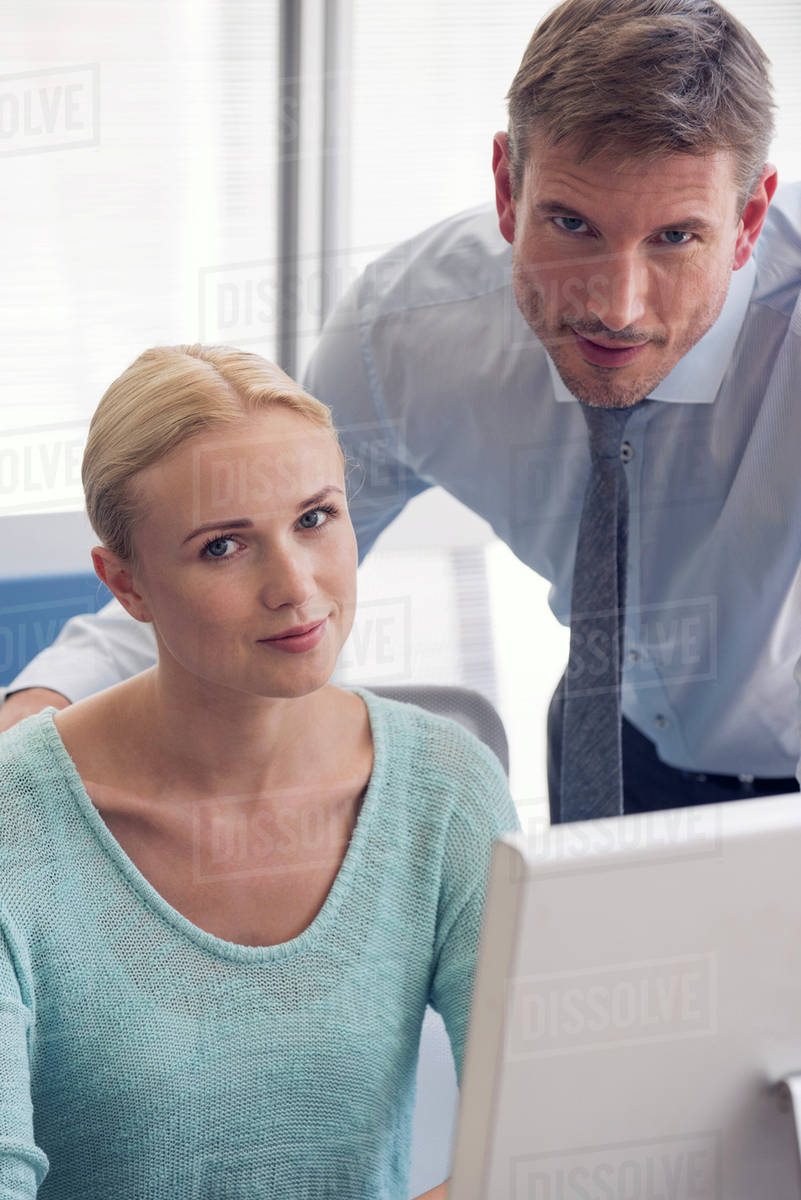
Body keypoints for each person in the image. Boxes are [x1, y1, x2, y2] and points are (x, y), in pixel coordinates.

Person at [3, 0, 800, 817]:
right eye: (571, 223)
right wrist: (40, 709)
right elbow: (244, 562)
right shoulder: (407, 336)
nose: (617, 307)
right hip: (612, 736)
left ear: (745, 223)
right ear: (506, 188)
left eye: (675, 238)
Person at [0, 344, 518, 1199]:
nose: (295, 586)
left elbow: (535, 1142)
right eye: (223, 547)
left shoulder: (447, 788)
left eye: (315, 519)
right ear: (125, 585)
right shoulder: (17, 829)